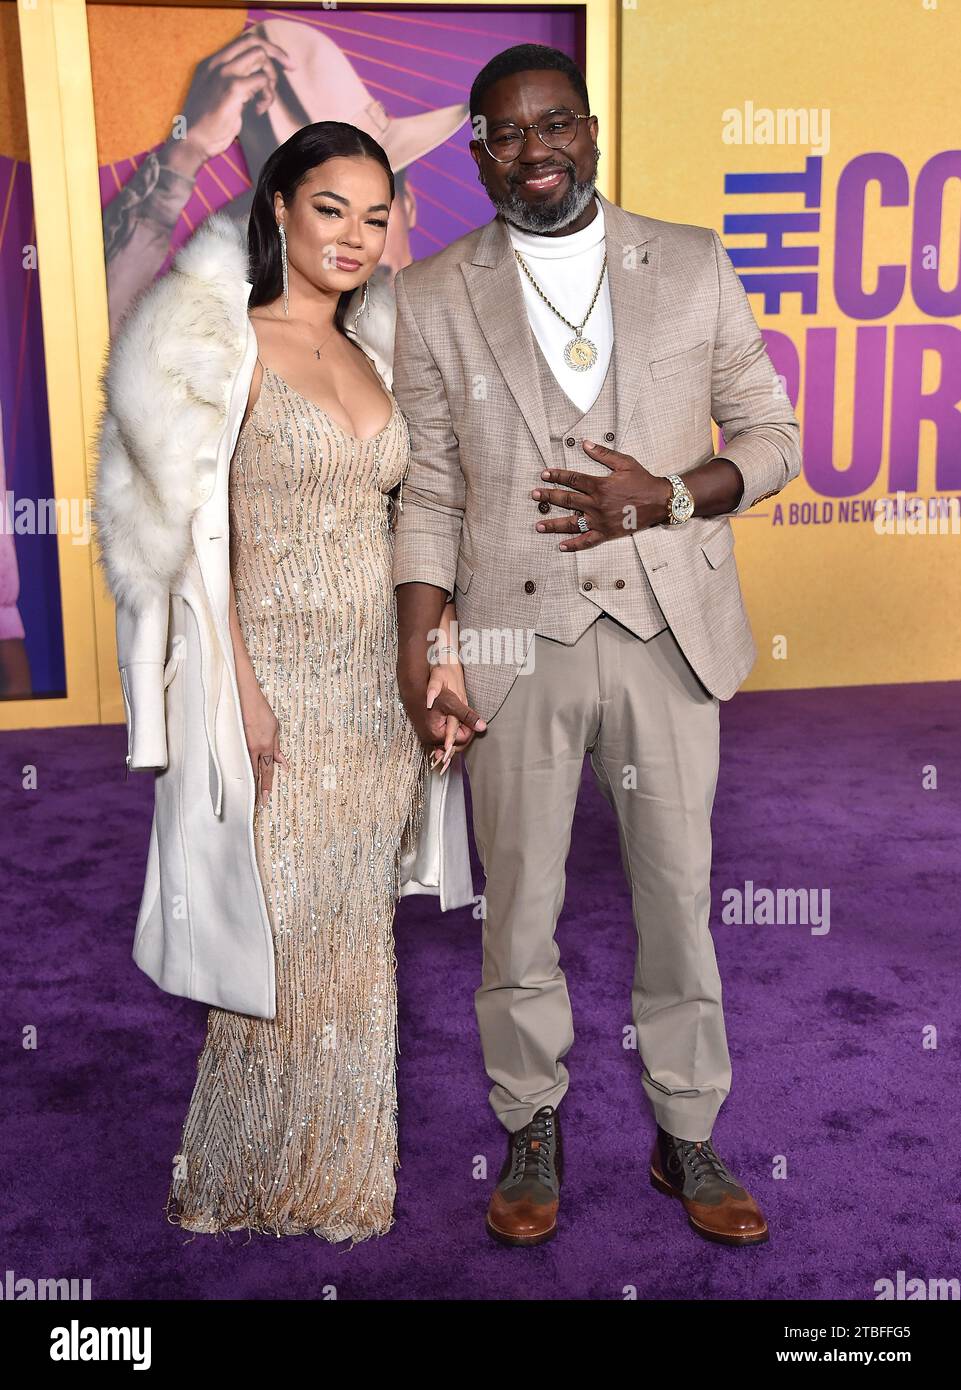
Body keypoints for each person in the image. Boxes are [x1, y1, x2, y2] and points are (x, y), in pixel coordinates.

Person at [391, 44, 802, 1247]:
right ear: (479, 152)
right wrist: (422, 652)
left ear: (592, 130)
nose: (537, 152)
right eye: (509, 135)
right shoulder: (430, 294)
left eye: (555, 125)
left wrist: (668, 495)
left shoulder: (687, 262)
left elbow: (773, 436)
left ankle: (687, 1134)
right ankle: (529, 1121)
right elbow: (424, 492)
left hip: (667, 626)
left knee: (676, 896)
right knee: (518, 906)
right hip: (514, 633)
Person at [94, 121, 483, 1243]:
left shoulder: (380, 344)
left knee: (353, 929)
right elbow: (185, 538)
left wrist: (439, 659)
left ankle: (339, 1170)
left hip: (379, 686)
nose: (356, 236)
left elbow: (418, 522)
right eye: (330, 209)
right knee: (278, 925)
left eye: (376, 214)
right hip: (273, 674)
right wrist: (241, 697)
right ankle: (241, 1167)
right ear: (277, 207)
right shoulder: (217, 343)